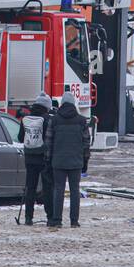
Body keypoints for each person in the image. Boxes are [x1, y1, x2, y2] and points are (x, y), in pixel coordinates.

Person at [44, 92, 91, 229]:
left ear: (61, 104)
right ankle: (74, 221)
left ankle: (57, 219)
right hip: (76, 162)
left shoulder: (55, 120)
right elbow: (86, 143)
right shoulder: (82, 121)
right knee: (75, 190)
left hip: (58, 161)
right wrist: (85, 161)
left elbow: (48, 141)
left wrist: (48, 159)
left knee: (58, 189)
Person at [19, 93, 53, 226]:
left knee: (30, 188)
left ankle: (28, 217)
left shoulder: (25, 119)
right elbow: (49, 138)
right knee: (47, 188)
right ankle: (50, 217)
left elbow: (20, 137)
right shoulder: (47, 119)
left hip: (29, 158)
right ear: (47, 106)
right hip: (43, 158)